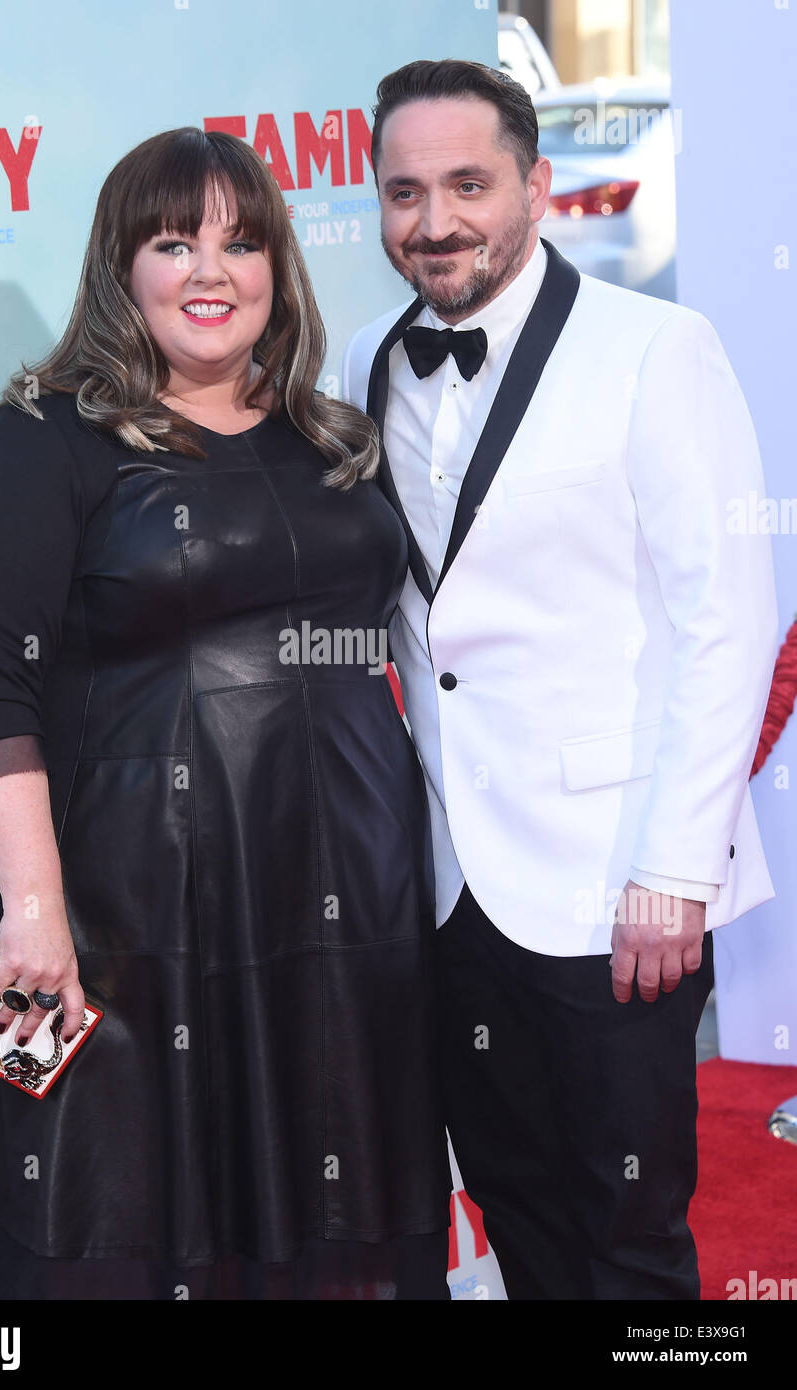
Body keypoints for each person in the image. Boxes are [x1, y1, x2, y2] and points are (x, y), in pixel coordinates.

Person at [0, 126, 451, 1301]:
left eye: (241, 243)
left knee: (329, 1218)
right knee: (109, 1217)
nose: (212, 271)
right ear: (119, 265)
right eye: (173, 241)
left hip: (337, 910)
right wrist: (35, 911)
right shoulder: (37, 440)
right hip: (120, 922)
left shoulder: (332, 435)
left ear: (277, 269)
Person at [342, 60, 778, 1299]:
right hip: (452, 886)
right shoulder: (367, 358)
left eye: (468, 185)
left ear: (537, 187)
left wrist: (675, 869)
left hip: (616, 885)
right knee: (519, 1203)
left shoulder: (657, 348)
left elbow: (726, 622)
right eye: (404, 192)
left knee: (632, 1236)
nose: (434, 223)